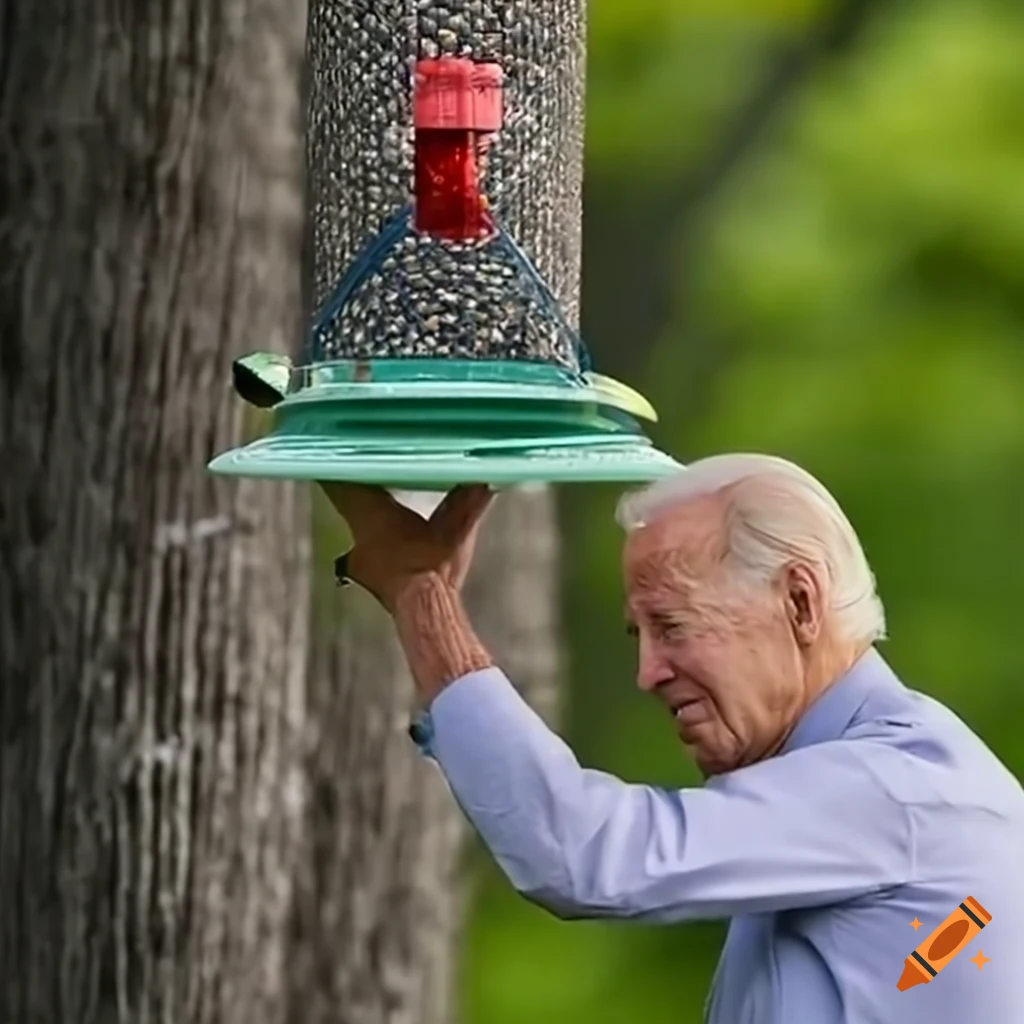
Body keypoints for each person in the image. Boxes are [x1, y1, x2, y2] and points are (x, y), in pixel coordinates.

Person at [323, 453, 1024, 1024]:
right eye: (639, 634)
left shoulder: (897, 791)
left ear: (800, 602)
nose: (647, 673)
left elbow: (581, 853)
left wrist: (422, 597)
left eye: (674, 624)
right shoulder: (895, 785)